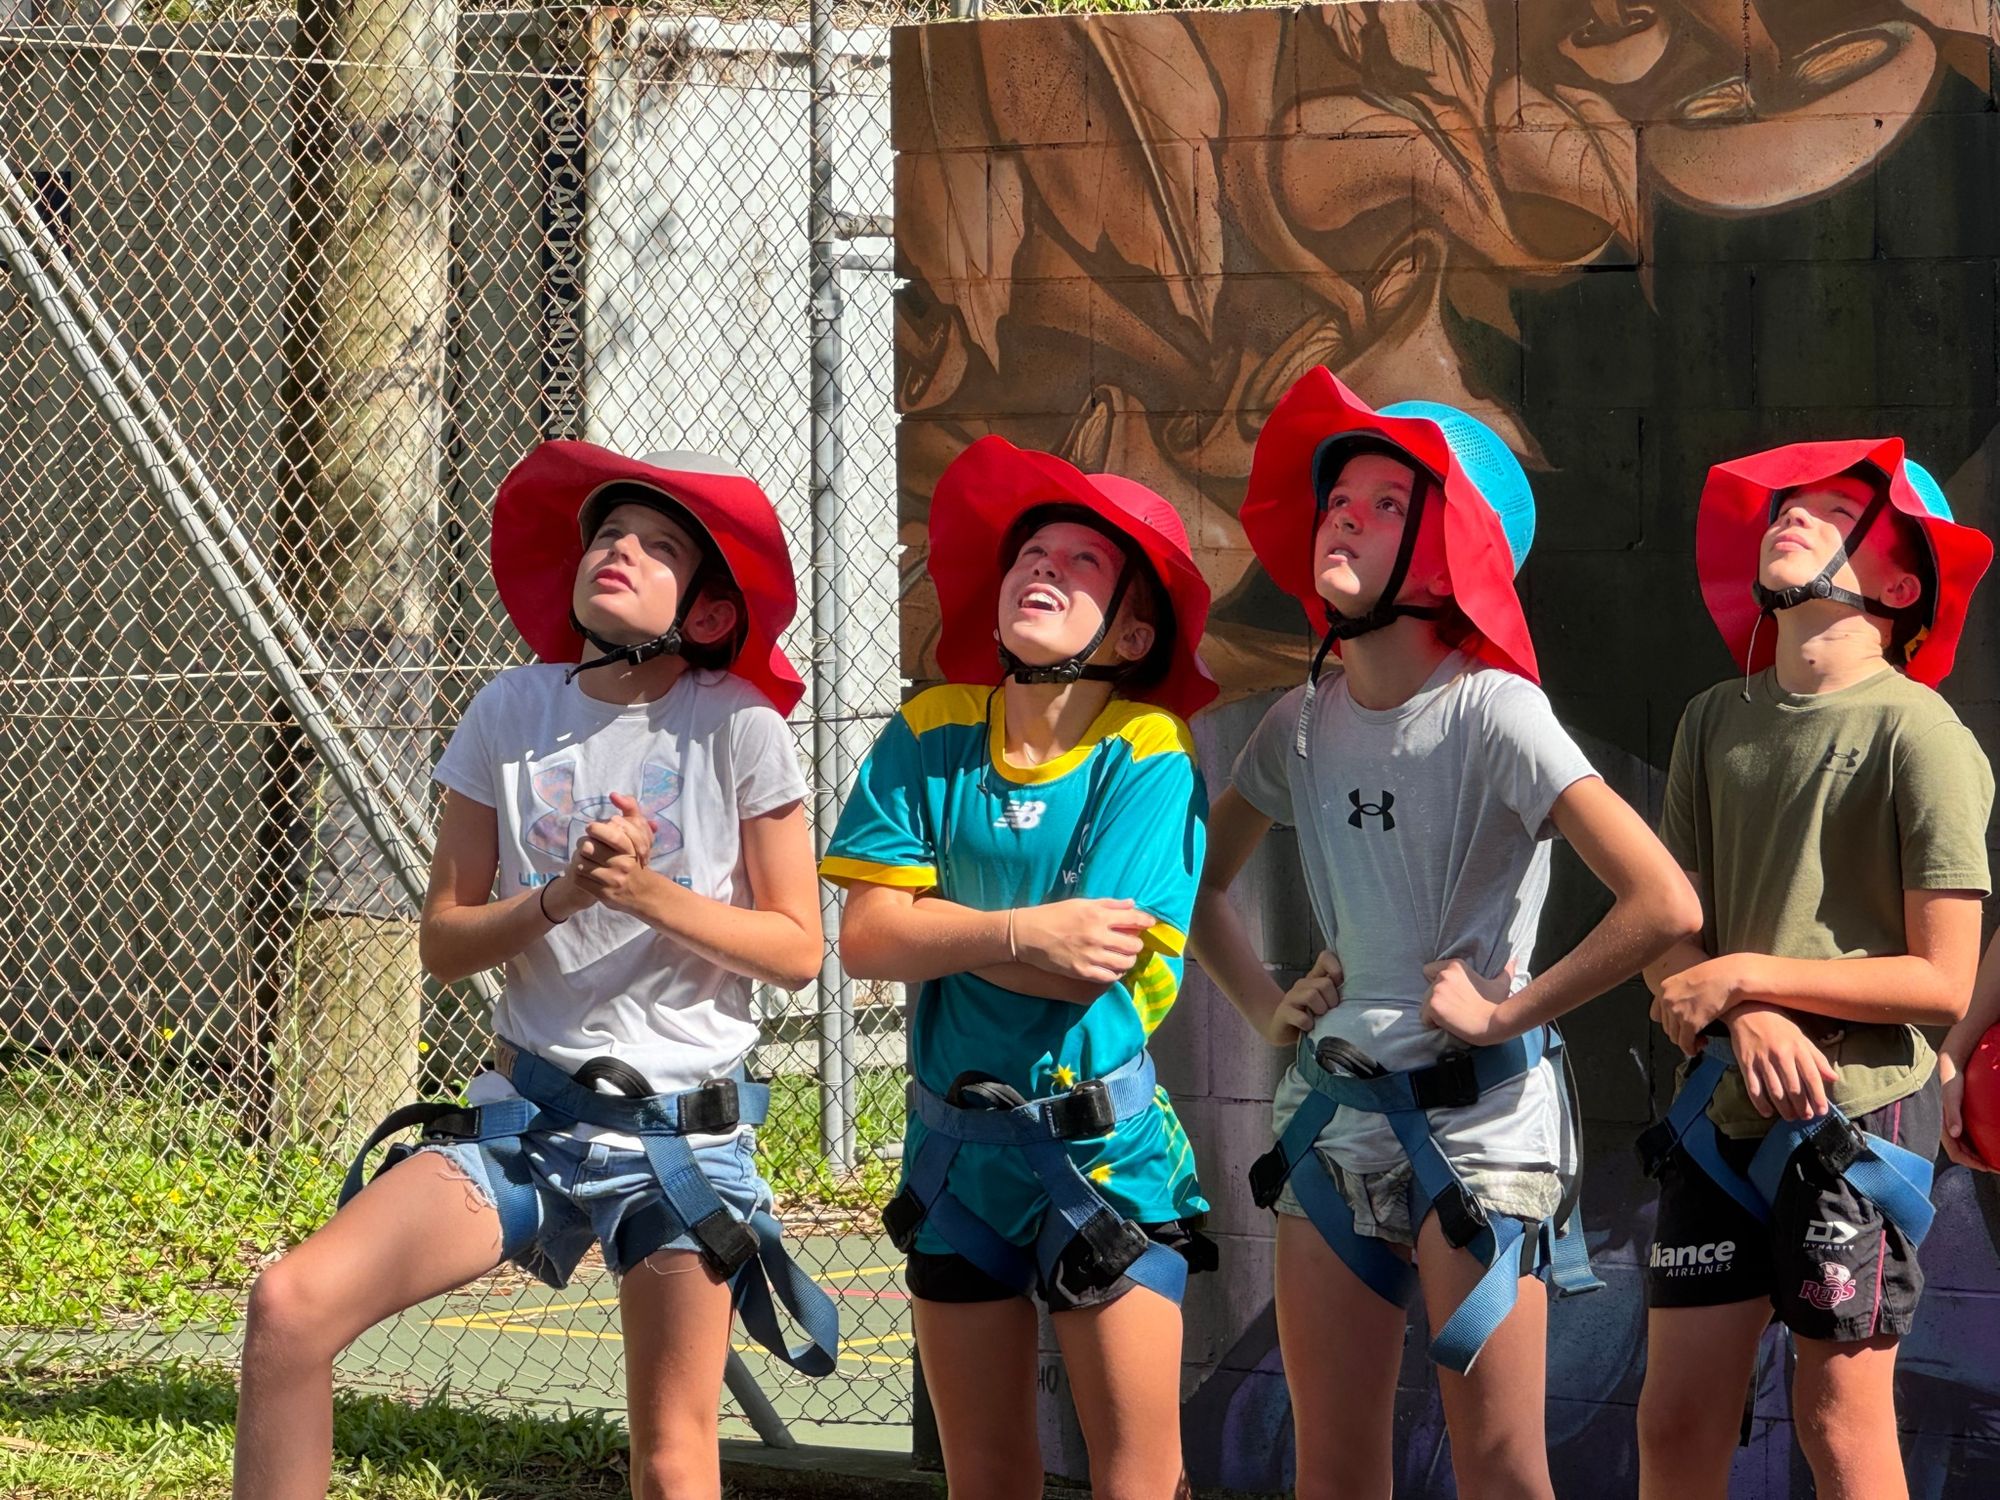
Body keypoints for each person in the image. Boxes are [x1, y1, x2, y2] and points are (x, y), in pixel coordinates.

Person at [233, 442, 834, 1500]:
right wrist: (561, 896)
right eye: (609, 534)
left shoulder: (738, 724)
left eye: (658, 547)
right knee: (289, 1305)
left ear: (705, 610)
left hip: (679, 1139)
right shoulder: (510, 711)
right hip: (529, 1124)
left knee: (672, 1455)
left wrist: (644, 894)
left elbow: (797, 950)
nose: (620, 551)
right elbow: (444, 940)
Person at [1191, 369, 1700, 1500]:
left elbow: (1663, 903)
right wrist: (1264, 1006)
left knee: (1503, 1472)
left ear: (1448, 560)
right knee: (1330, 1473)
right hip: (1331, 1123)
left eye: (1386, 503)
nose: (1344, 515)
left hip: (1483, 1134)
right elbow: (1198, 886)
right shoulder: (1297, 724)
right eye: (1338, 498)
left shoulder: (1497, 710)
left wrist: (1511, 1011)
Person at [823, 435, 1219, 1500]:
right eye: (1029, 553)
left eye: (1082, 561)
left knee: (1138, 1478)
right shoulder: (931, 730)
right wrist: (1020, 935)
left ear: (1131, 633)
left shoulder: (1147, 746)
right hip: (954, 1160)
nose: (1042, 567)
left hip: (1103, 1162)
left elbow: (1092, 967)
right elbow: (866, 941)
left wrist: (941, 928)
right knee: (985, 1477)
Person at [1637, 438, 1994, 1500]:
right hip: (1718, 1110)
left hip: (1857, 1117)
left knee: (1837, 1422)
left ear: (1900, 586)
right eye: (1785, 505)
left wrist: (1744, 976)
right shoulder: (1711, 719)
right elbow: (1666, 932)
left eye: (1836, 511)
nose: (1790, 515)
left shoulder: (1922, 734)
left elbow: (1941, 983)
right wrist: (1739, 1011)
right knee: (1673, 1420)